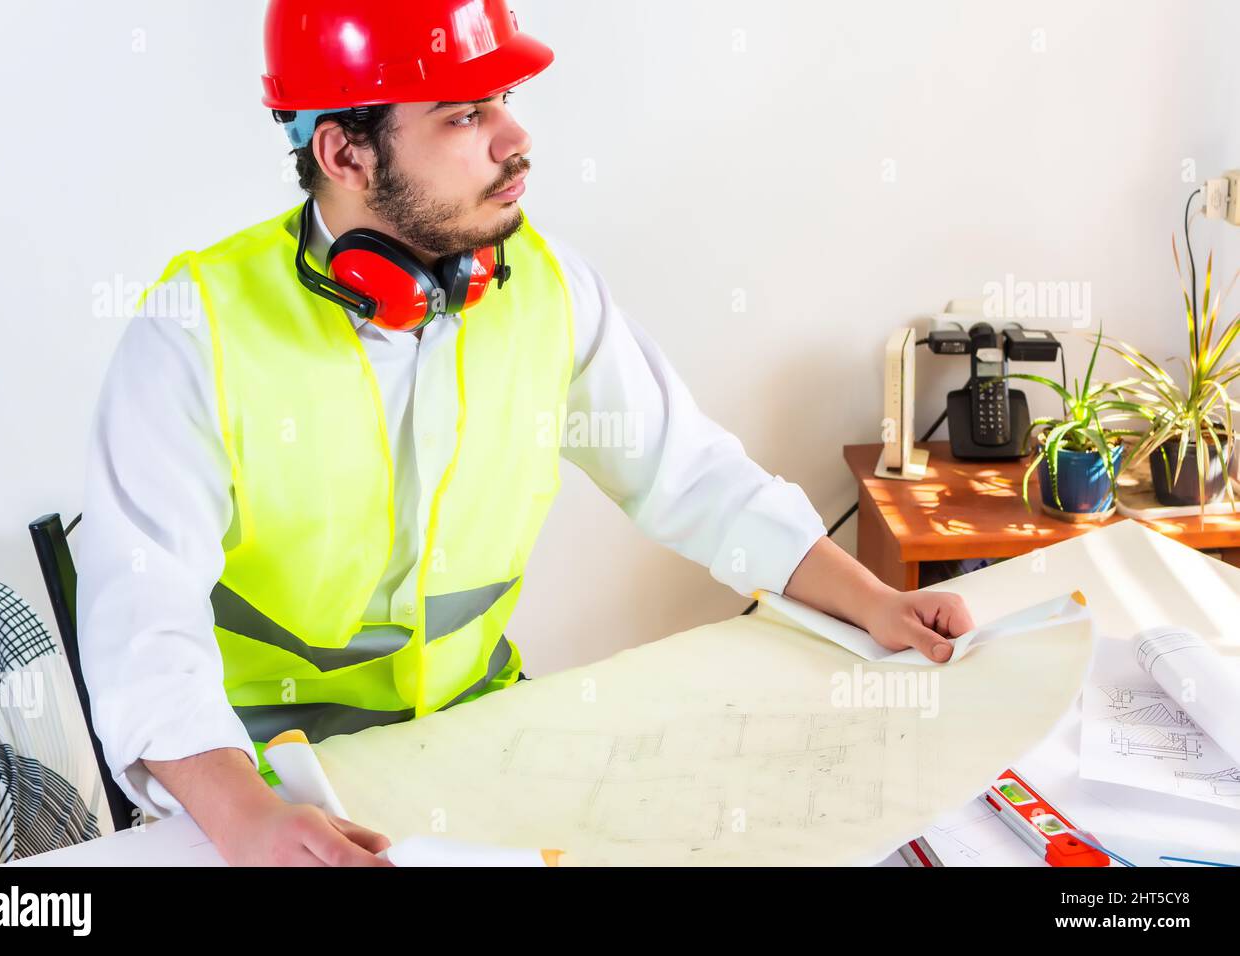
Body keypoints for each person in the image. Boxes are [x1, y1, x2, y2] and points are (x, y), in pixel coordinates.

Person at [77, 0, 973, 866]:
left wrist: (876, 603)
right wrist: (248, 827)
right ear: (343, 151)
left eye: (506, 101)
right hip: (266, 775)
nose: (516, 140)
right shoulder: (192, 331)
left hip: (480, 736)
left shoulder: (546, 289)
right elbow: (143, 630)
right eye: (466, 114)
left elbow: (693, 477)